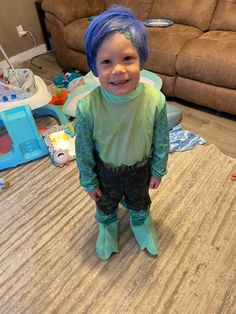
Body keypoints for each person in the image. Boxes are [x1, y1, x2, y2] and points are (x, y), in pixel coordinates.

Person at [75, 6, 169, 260]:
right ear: (94, 67)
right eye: (106, 62)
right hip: (106, 171)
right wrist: (88, 181)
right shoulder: (87, 108)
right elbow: (83, 149)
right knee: (106, 205)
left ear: (141, 59)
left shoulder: (155, 100)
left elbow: (161, 138)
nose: (118, 69)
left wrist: (159, 168)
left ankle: (140, 222)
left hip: (141, 168)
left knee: (140, 202)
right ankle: (107, 225)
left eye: (127, 58)